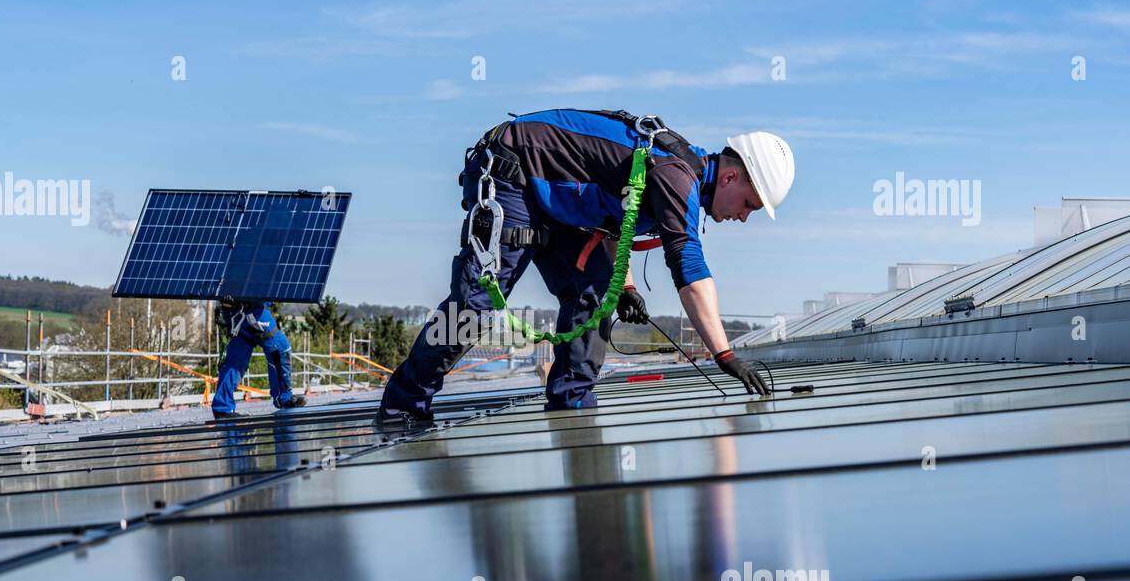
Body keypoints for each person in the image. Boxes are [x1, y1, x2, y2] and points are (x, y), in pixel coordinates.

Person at [377, 109, 794, 425]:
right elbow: (688, 266)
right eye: (749, 205)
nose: (744, 217)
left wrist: (626, 286)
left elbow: (616, 222)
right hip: (512, 171)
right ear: (730, 177)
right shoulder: (677, 176)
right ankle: (404, 404)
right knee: (476, 303)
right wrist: (725, 355)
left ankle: (572, 409)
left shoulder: (674, 172)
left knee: (595, 292)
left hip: (553, 201)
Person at [211, 301, 305, 417]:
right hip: (252, 309)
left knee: (236, 359)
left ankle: (222, 408)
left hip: (234, 311)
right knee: (280, 349)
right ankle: (283, 398)